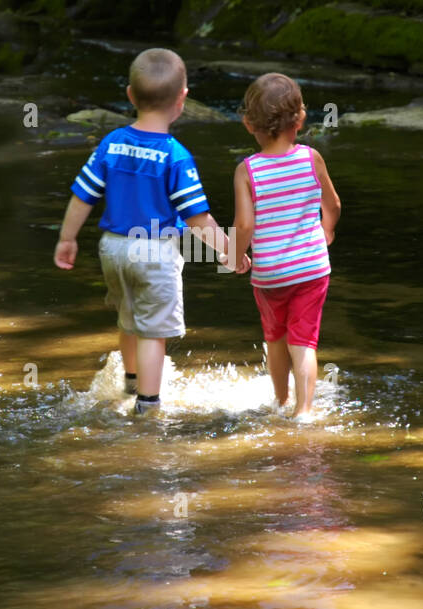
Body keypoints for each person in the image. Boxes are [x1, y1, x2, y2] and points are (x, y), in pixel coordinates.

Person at [53, 48, 244, 414]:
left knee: (129, 316)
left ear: (129, 95)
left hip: (113, 249)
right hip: (154, 252)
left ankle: (128, 381)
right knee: (153, 330)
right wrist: (229, 250)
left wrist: (67, 238)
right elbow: (197, 219)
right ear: (183, 100)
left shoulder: (111, 143)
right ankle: (148, 404)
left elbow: (82, 196)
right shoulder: (175, 156)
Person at [229, 73, 341, 418]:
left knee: (276, 340)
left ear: (249, 124)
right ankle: (304, 411)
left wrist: (235, 257)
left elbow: (245, 225)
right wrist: (327, 232)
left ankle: (280, 404)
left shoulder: (247, 171)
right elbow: (333, 204)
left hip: (271, 275)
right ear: (301, 118)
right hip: (311, 269)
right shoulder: (312, 158)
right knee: (304, 342)